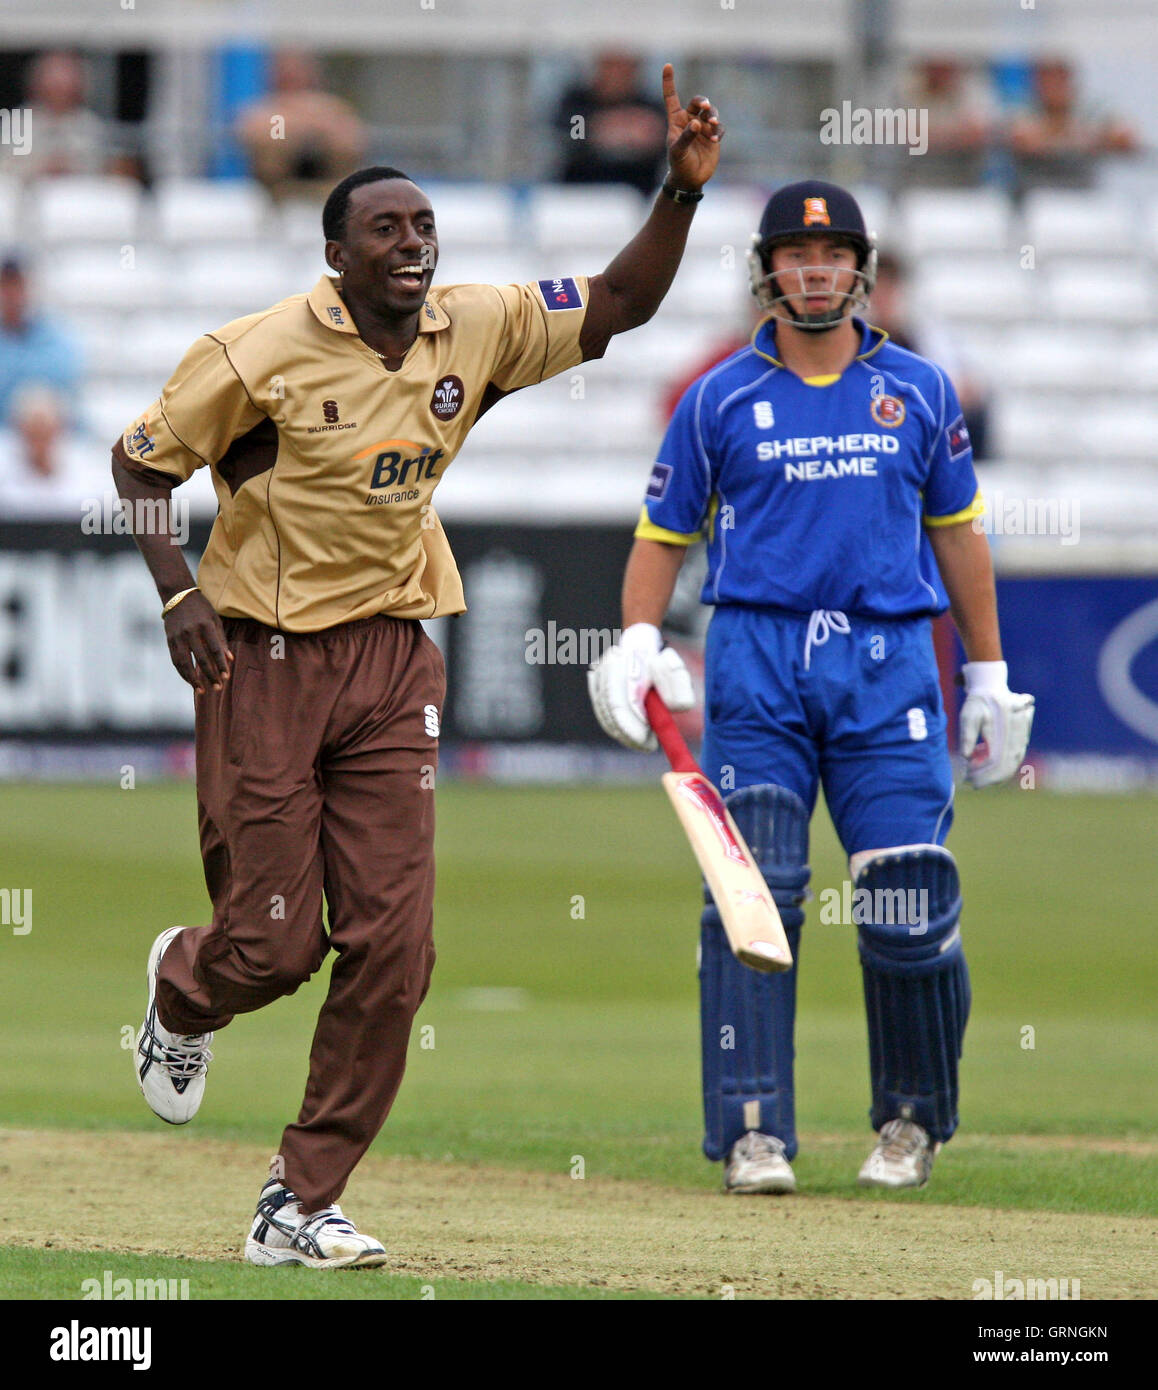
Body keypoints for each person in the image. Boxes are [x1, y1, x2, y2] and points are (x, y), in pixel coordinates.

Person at [113, 65, 722, 1269]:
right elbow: (141, 468)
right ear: (335, 257)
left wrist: (680, 195)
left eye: (425, 227)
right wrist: (179, 592)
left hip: (396, 658)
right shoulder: (254, 353)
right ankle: (185, 991)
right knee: (271, 950)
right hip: (267, 661)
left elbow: (615, 303)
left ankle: (299, 1200)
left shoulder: (476, 324)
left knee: (397, 944)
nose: (413, 246)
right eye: (385, 229)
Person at [588, 180, 1033, 1196]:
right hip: (758, 660)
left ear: (862, 270)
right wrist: (637, 639)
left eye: (832, 256)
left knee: (907, 901)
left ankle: (909, 1125)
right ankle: (755, 1133)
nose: (815, 271)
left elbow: (958, 535)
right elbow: (663, 535)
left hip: (888, 666)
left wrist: (990, 673)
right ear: (768, 271)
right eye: (795, 254)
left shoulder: (920, 389)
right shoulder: (720, 396)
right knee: (758, 895)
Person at [234, 49, 367, 201]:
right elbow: (264, 135)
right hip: (280, 176)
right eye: (285, 71)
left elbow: (351, 140)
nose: (291, 75)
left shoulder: (328, 106)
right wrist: (296, 124)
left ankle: (335, 194)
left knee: (341, 139)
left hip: (321, 166)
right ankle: (280, 194)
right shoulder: (265, 109)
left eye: (297, 70)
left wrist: (313, 125)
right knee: (274, 138)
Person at [0, 254, 83, 476]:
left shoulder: (55, 338)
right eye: (5, 286)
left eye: (16, 285)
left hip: (55, 444)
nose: (11, 295)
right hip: (6, 442)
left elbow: (60, 392)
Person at [1008, 59, 1137, 194]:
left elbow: (1124, 138)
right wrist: (1087, 139)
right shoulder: (1024, 107)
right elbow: (1024, 141)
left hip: (1085, 195)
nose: (1053, 87)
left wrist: (1053, 138)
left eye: (1059, 80)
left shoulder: (1092, 109)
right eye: (1047, 81)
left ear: (1070, 82)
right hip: (1036, 195)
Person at [554, 51, 670, 196]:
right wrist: (602, 129)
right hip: (581, 191)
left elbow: (666, 142)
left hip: (637, 192)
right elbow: (567, 135)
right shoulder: (577, 101)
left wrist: (649, 135)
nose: (617, 73)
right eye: (611, 65)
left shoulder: (650, 105)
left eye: (624, 66)